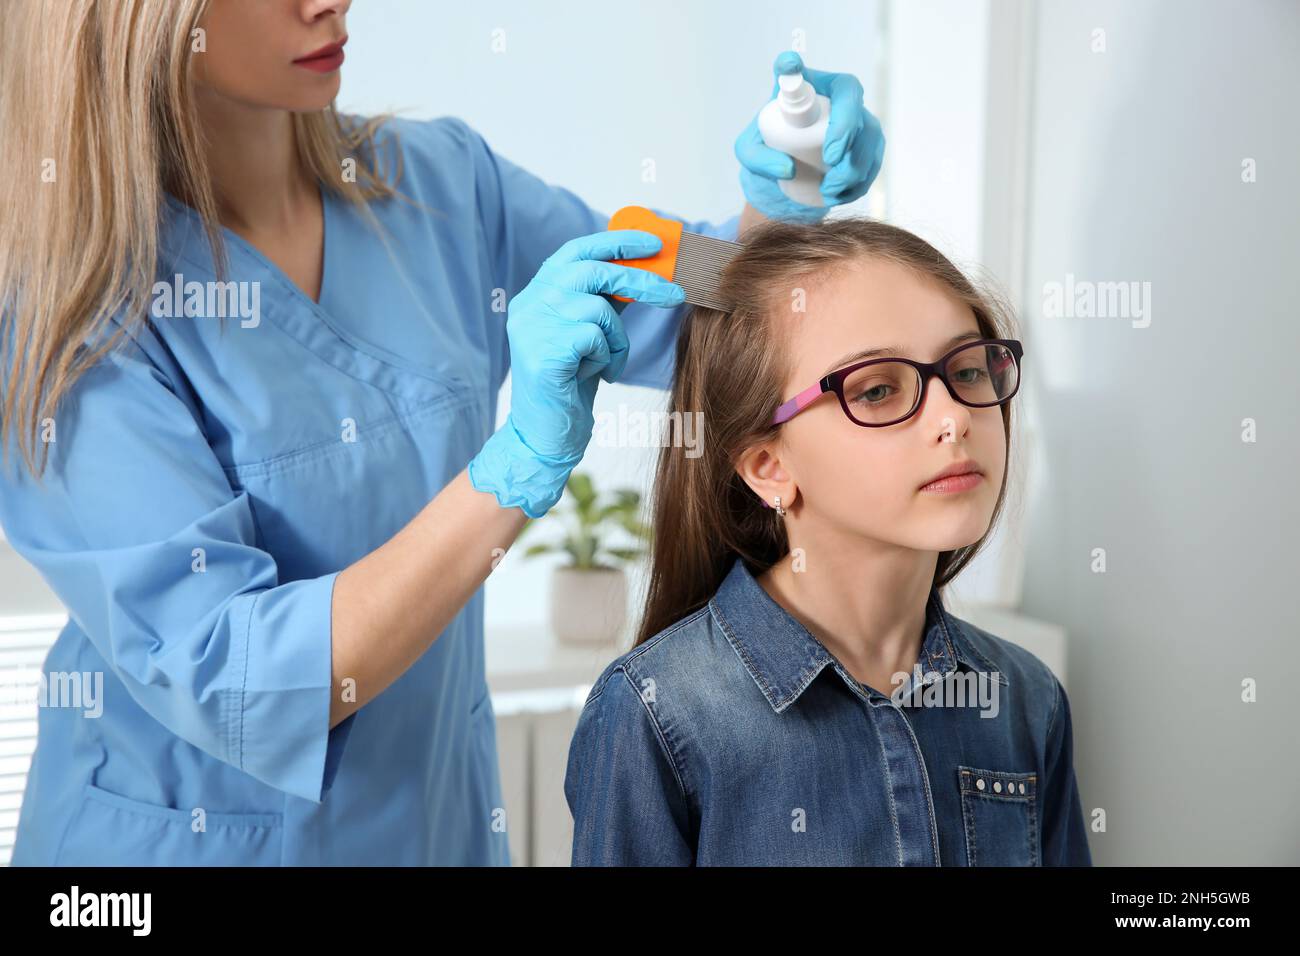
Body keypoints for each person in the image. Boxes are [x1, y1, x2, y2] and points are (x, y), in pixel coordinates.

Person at [0, 0, 883, 865]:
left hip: (431, 823)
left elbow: (695, 301)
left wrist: (782, 199)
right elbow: (239, 679)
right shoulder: (81, 321)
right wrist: (513, 468)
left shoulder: (438, 184)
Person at [565, 218, 1092, 865]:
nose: (955, 418)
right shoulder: (658, 715)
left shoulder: (1025, 699)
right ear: (768, 466)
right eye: (877, 389)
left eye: (970, 370)